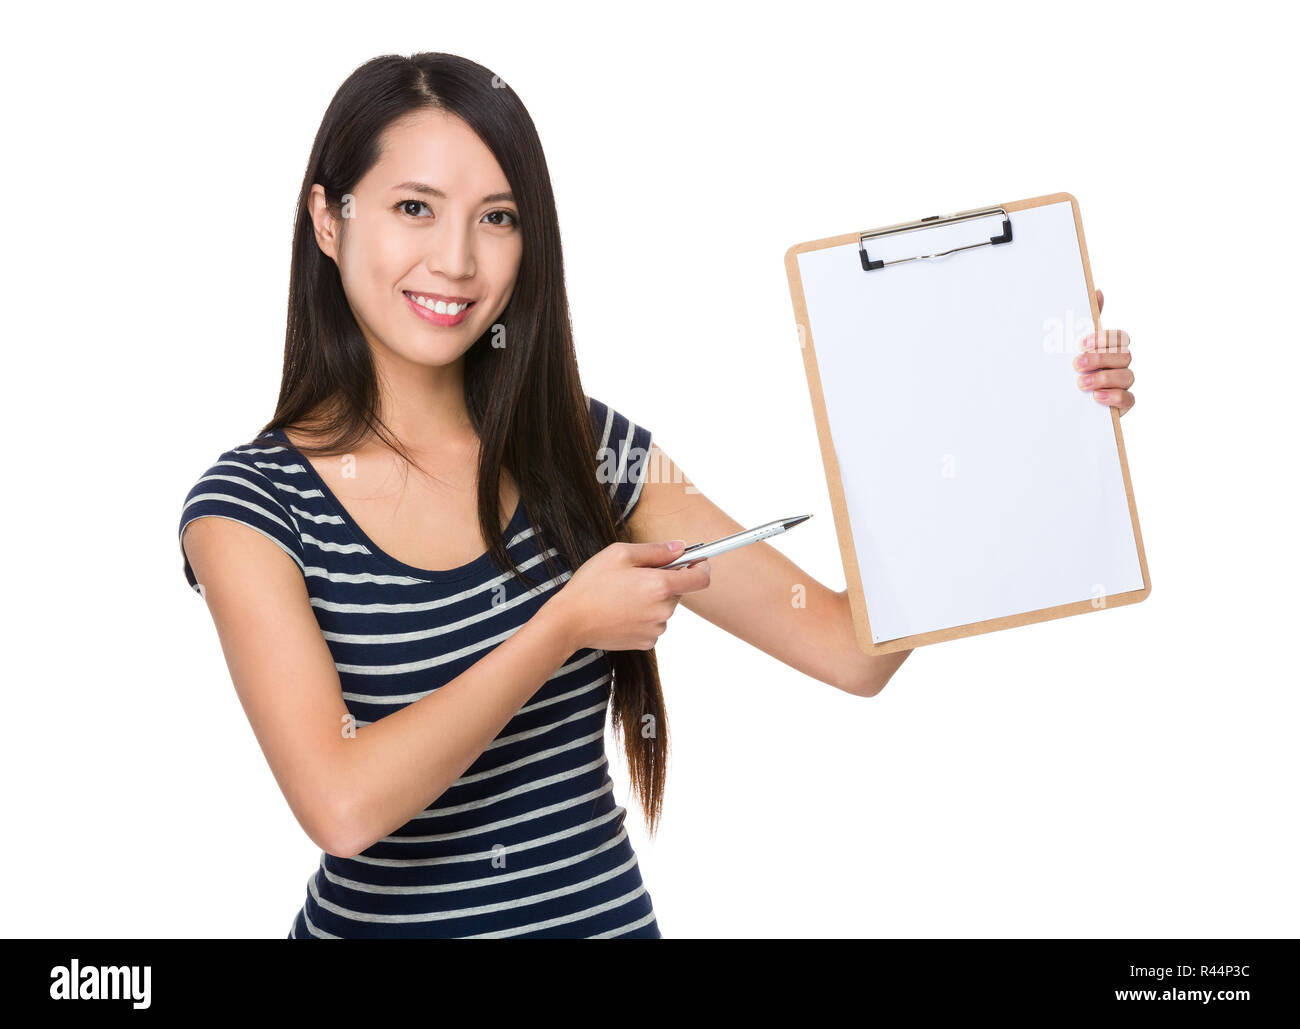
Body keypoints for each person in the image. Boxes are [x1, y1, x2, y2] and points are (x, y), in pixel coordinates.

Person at [177, 52, 1138, 939]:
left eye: (498, 217)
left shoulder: (585, 448)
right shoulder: (250, 507)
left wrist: (1007, 418)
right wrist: (563, 624)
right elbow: (342, 804)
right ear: (328, 218)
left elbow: (853, 652)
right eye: (415, 207)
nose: (458, 260)